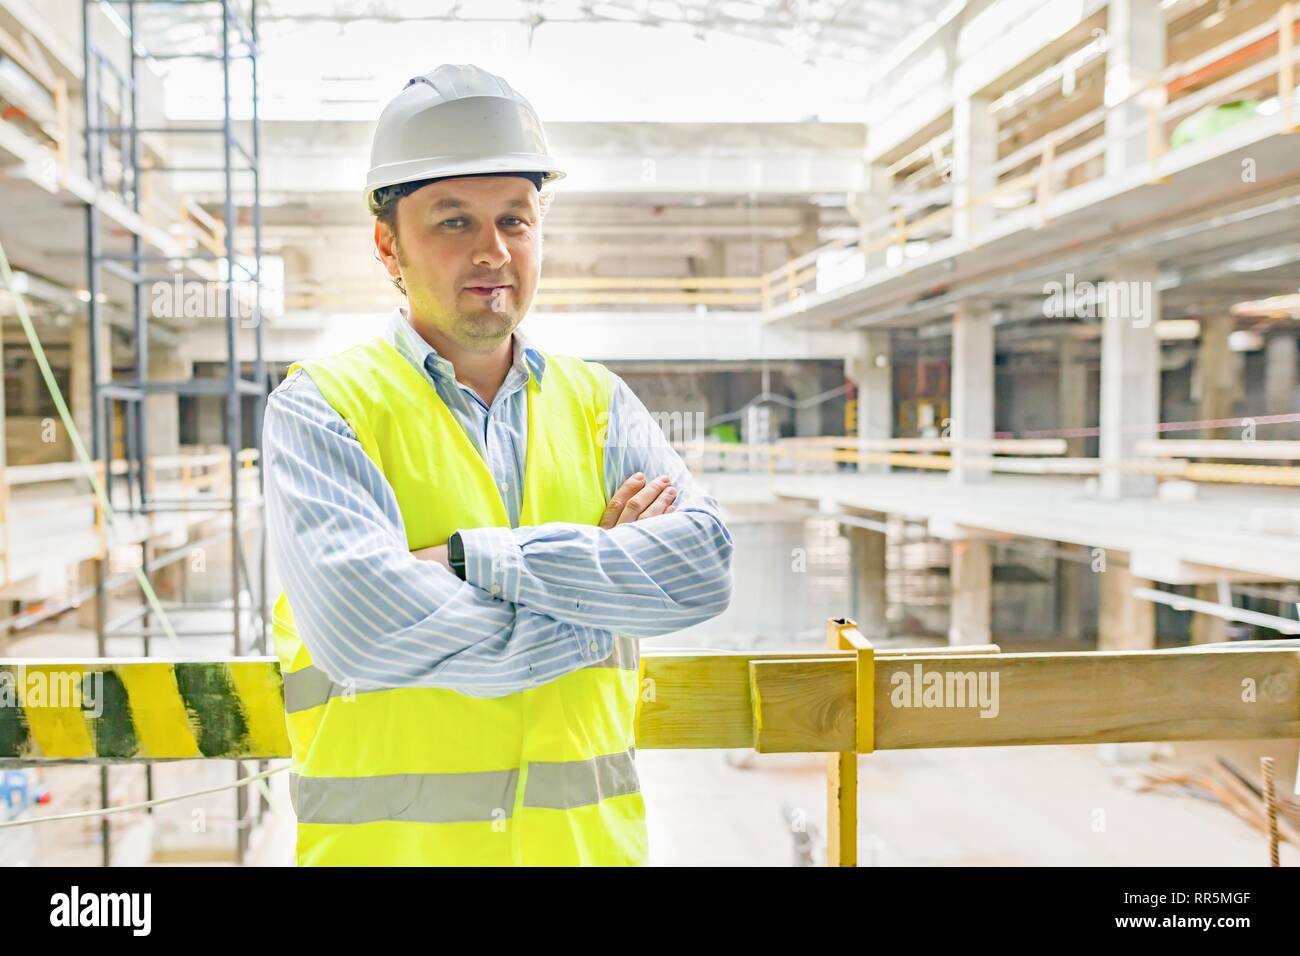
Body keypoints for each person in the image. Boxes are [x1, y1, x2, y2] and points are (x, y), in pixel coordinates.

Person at [263, 64, 734, 865]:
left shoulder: (599, 403)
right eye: (454, 223)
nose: (494, 251)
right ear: (389, 246)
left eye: (515, 220)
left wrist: (461, 560)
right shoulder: (323, 408)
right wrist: (598, 606)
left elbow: (701, 572)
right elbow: (364, 633)